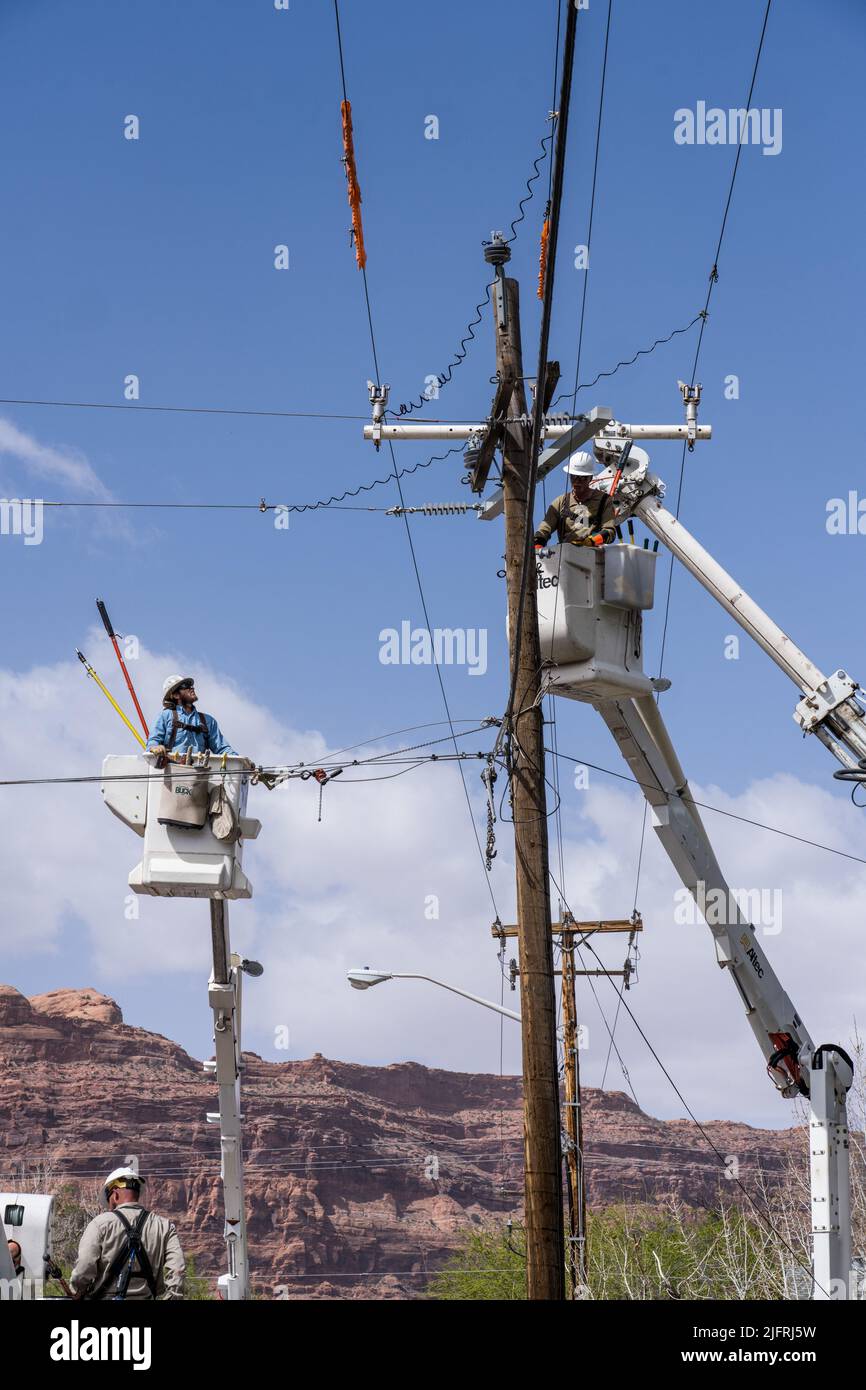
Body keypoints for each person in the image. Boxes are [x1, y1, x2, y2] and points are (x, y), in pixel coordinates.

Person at [69, 1167, 185, 1301]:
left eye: (109, 1201)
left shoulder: (100, 1224)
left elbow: (84, 1267)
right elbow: (178, 1269)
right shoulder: (164, 1226)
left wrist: (78, 1291)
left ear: (115, 1194)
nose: (109, 1207)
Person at [534, 451, 619, 549]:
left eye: (582, 478)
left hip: (593, 556)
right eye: (573, 476)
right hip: (566, 556)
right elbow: (543, 530)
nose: (577, 481)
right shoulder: (561, 502)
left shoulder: (604, 501)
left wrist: (590, 541)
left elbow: (609, 532)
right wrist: (537, 550)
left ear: (590, 478)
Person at [146, 675, 238, 758]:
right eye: (185, 686)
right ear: (176, 695)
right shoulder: (165, 716)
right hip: (172, 771)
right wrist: (155, 747)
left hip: (199, 773)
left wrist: (243, 763)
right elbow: (153, 742)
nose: (191, 688)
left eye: (191, 686)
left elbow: (221, 748)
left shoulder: (208, 721)